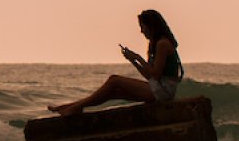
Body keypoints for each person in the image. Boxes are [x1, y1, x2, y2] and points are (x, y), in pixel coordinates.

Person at [49, 9, 184, 116]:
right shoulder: (155, 44)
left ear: (151, 27)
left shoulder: (162, 44)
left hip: (164, 92)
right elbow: (149, 77)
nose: (141, 31)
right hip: (158, 88)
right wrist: (133, 61)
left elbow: (155, 74)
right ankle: (74, 106)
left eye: (143, 27)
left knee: (114, 80)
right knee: (113, 92)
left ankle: (74, 107)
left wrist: (138, 57)